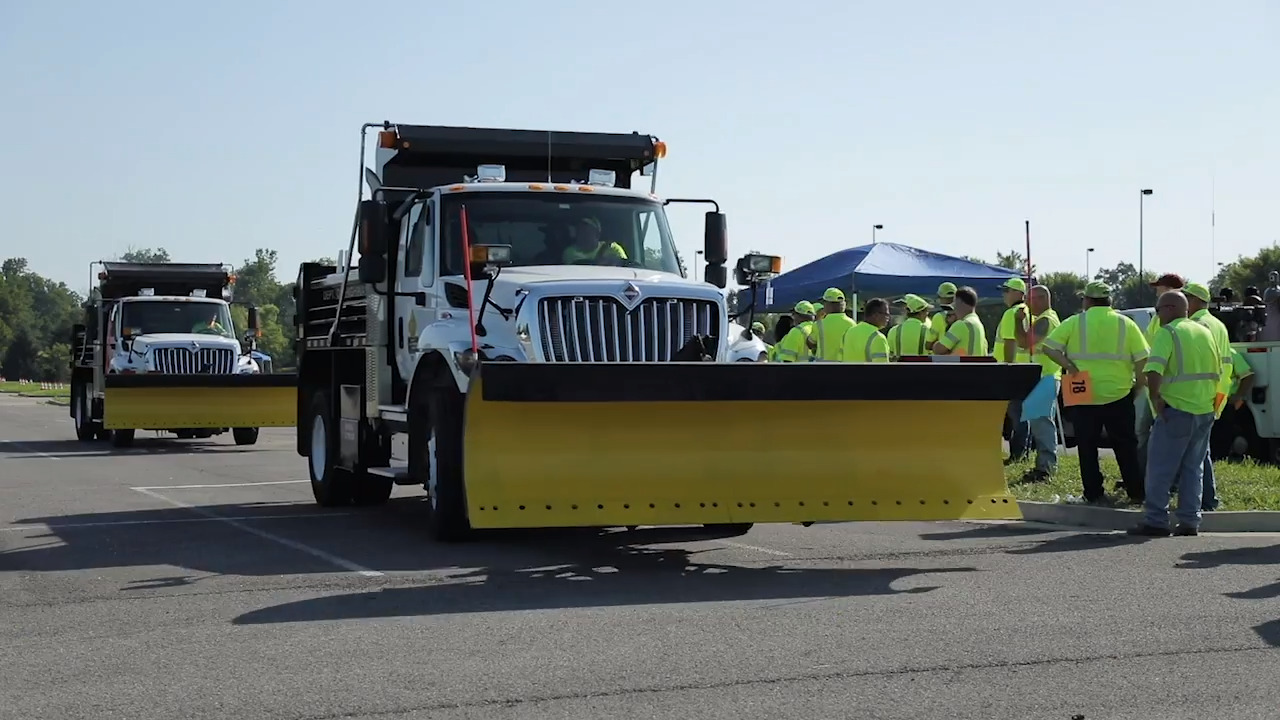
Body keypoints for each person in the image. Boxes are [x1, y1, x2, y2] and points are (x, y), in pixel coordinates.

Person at [1040, 281, 1149, 506]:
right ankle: (1136, 491)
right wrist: (1138, 387)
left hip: (1083, 391)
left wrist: (1068, 366)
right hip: (1118, 392)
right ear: (1110, 301)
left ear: (1086, 301)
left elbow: (1048, 347)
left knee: (1087, 446)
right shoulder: (1125, 324)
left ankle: (1093, 493)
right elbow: (1142, 358)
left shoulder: (1074, 322)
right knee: (1126, 445)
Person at [1128, 290, 1222, 537]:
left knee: (1160, 468)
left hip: (1177, 409)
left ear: (1169, 309)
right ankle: (1190, 521)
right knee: (1194, 468)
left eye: (1158, 311)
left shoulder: (1168, 332)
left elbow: (1154, 369)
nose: (1157, 316)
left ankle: (1156, 521)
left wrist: (1155, 398)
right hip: (1204, 409)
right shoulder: (1205, 332)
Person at [1183, 281, 1232, 511]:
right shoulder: (1217, 324)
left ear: (1194, 301)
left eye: (1186, 299)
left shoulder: (1196, 324)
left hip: (1198, 393)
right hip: (1217, 390)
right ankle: (1208, 499)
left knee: (1196, 453)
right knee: (1202, 449)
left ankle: (1204, 500)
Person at [1137, 273, 1186, 480]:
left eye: (1159, 287)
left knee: (1163, 436)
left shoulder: (1174, 320)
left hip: (1166, 386)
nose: (1156, 291)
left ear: (1169, 290)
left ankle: (1160, 480)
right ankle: (1142, 476)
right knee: (1143, 432)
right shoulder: (1159, 318)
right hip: (1155, 383)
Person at [1012, 285, 1061, 482]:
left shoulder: (1046, 320)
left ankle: (1046, 468)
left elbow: (1024, 342)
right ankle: (1044, 465)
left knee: (1042, 423)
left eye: (1029, 299)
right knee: (1039, 421)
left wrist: (1018, 321)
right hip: (1042, 376)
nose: (1026, 303)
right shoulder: (1045, 318)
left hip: (1045, 376)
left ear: (1040, 299)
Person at [997, 278, 1032, 463]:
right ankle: (1023, 453)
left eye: (1007, 290)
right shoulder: (1024, 312)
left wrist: (1007, 368)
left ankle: (1018, 455)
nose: (1004, 294)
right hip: (1023, 368)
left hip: (1013, 369)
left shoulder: (1011, 313)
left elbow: (1010, 342)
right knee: (1020, 414)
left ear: (1018, 293)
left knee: (1016, 415)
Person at [1210, 347, 1257, 460]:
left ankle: (1220, 458)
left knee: (1222, 433)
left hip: (1226, 402)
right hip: (1209, 401)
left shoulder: (1231, 353)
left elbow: (1248, 375)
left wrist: (1238, 396)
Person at [932, 286, 987, 356]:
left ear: (959, 302)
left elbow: (938, 349)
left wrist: (949, 326)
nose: (953, 307)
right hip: (975, 366)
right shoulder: (978, 324)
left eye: (954, 302)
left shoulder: (961, 324)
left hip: (962, 366)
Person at [809, 288, 856, 361]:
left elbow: (810, 343)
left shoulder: (819, 324)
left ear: (827, 304)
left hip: (823, 367)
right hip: (844, 367)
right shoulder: (852, 324)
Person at [841, 298, 891, 363]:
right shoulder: (878, 338)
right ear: (876, 315)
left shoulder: (849, 331)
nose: (888, 318)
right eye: (886, 314)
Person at [562, 217, 627, 265]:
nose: (584, 234)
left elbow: (625, 269)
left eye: (587, 231)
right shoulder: (570, 252)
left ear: (597, 234)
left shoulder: (613, 248)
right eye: (580, 231)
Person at [887, 294, 932, 359]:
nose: (927, 314)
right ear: (921, 313)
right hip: (923, 368)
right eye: (926, 311)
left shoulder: (893, 330)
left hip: (899, 368)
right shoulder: (928, 331)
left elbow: (890, 354)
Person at [925, 282, 957, 348]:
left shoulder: (939, 317)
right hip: (965, 356)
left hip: (945, 356)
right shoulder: (966, 316)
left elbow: (928, 344)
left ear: (941, 297)